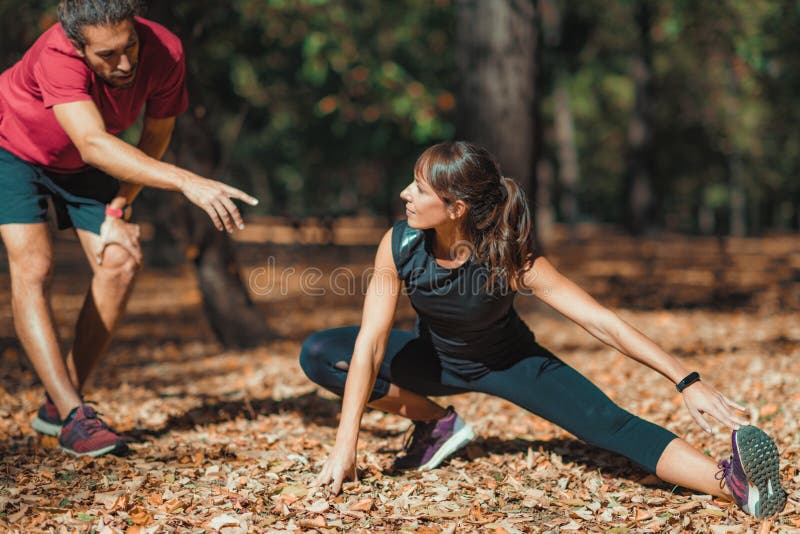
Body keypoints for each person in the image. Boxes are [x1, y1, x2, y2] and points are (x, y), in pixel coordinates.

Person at [300, 141, 786, 519]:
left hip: (512, 364)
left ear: (455, 208)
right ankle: (434, 423)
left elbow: (601, 321)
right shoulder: (400, 243)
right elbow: (371, 343)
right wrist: (347, 446)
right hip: (436, 360)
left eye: (420, 188)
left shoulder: (509, 257)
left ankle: (734, 486)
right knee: (322, 353)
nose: (406, 194)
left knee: (610, 425)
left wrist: (686, 379)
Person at [0, 0, 257, 457]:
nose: (125, 62)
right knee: (34, 268)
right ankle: (75, 413)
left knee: (119, 259)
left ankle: (63, 408)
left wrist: (121, 204)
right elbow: (94, 141)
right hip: (14, 148)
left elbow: (156, 135)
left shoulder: (165, 50)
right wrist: (187, 181)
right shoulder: (55, 54)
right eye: (106, 56)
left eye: (129, 45)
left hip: (83, 162)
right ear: (78, 48)